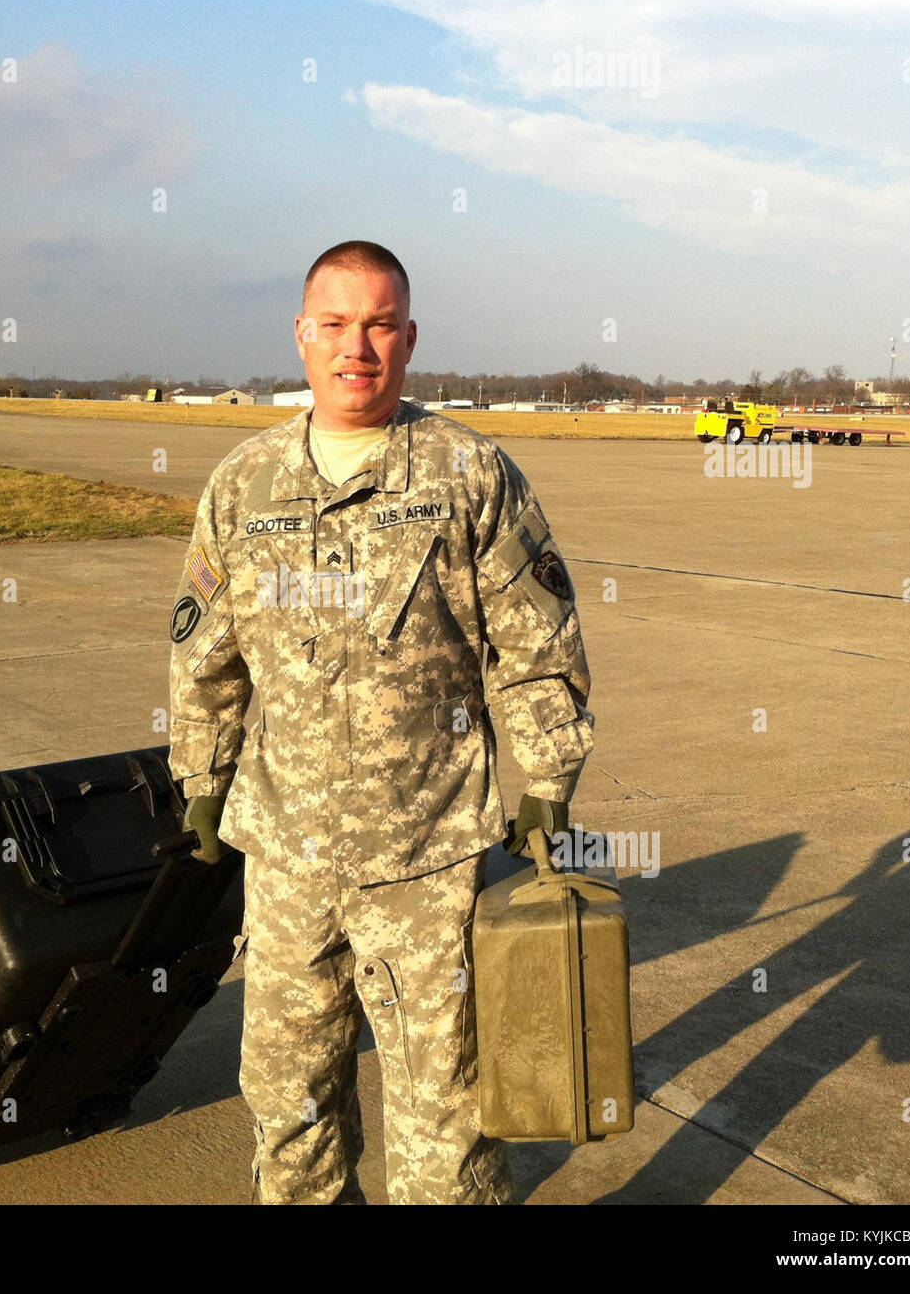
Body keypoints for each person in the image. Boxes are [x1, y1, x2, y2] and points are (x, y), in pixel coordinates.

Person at [167, 240, 594, 1204]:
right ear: (302, 335)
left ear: (408, 338)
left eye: (379, 324)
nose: (356, 346)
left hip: (430, 854)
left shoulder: (469, 474)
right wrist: (200, 778)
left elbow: (536, 641)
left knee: (448, 1115)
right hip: (285, 858)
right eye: (336, 323)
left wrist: (550, 780)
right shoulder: (245, 485)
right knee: (287, 1102)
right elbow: (207, 656)